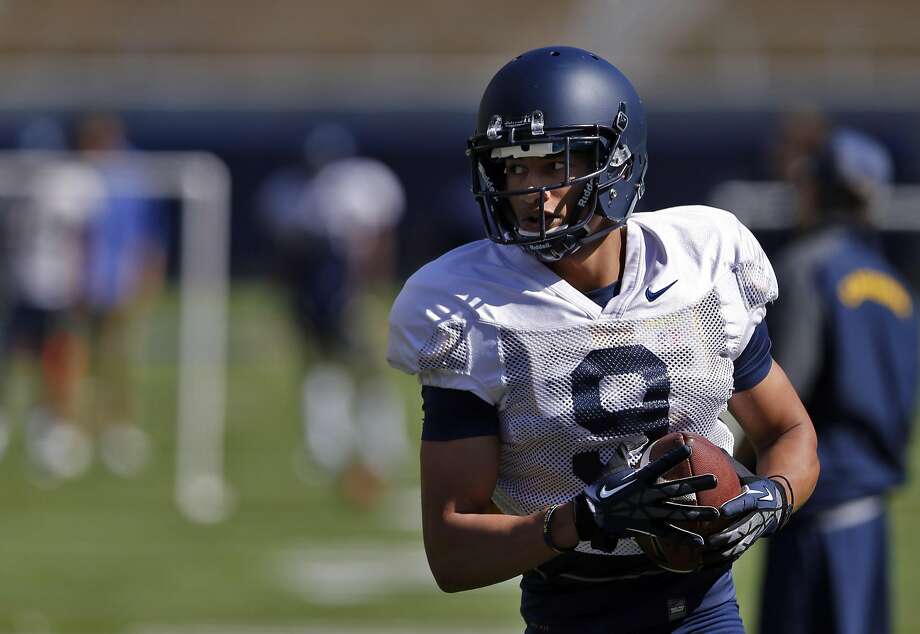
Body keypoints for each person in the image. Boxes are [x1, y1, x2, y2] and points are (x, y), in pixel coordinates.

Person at [387, 46, 819, 632]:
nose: (530, 193)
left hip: (704, 609)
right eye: (514, 168)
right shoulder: (466, 305)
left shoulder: (701, 260)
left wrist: (772, 499)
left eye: (552, 165)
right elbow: (452, 551)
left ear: (615, 164)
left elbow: (788, 431)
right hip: (571, 610)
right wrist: (583, 520)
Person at [761, 128, 918, 634]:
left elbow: (785, 396)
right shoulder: (896, 287)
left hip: (814, 514)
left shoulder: (806, 269)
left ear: (813, 189)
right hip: (869, 516)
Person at [257, 125, 408, 507]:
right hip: (310, 292)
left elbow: (379, 245)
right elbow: (286, 256)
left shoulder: (363, 187)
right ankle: (326, 447)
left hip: (351, 289)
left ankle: (382, 443)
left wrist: (372, 292)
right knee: (320, 367)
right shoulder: (289, 194)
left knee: (368, 369)